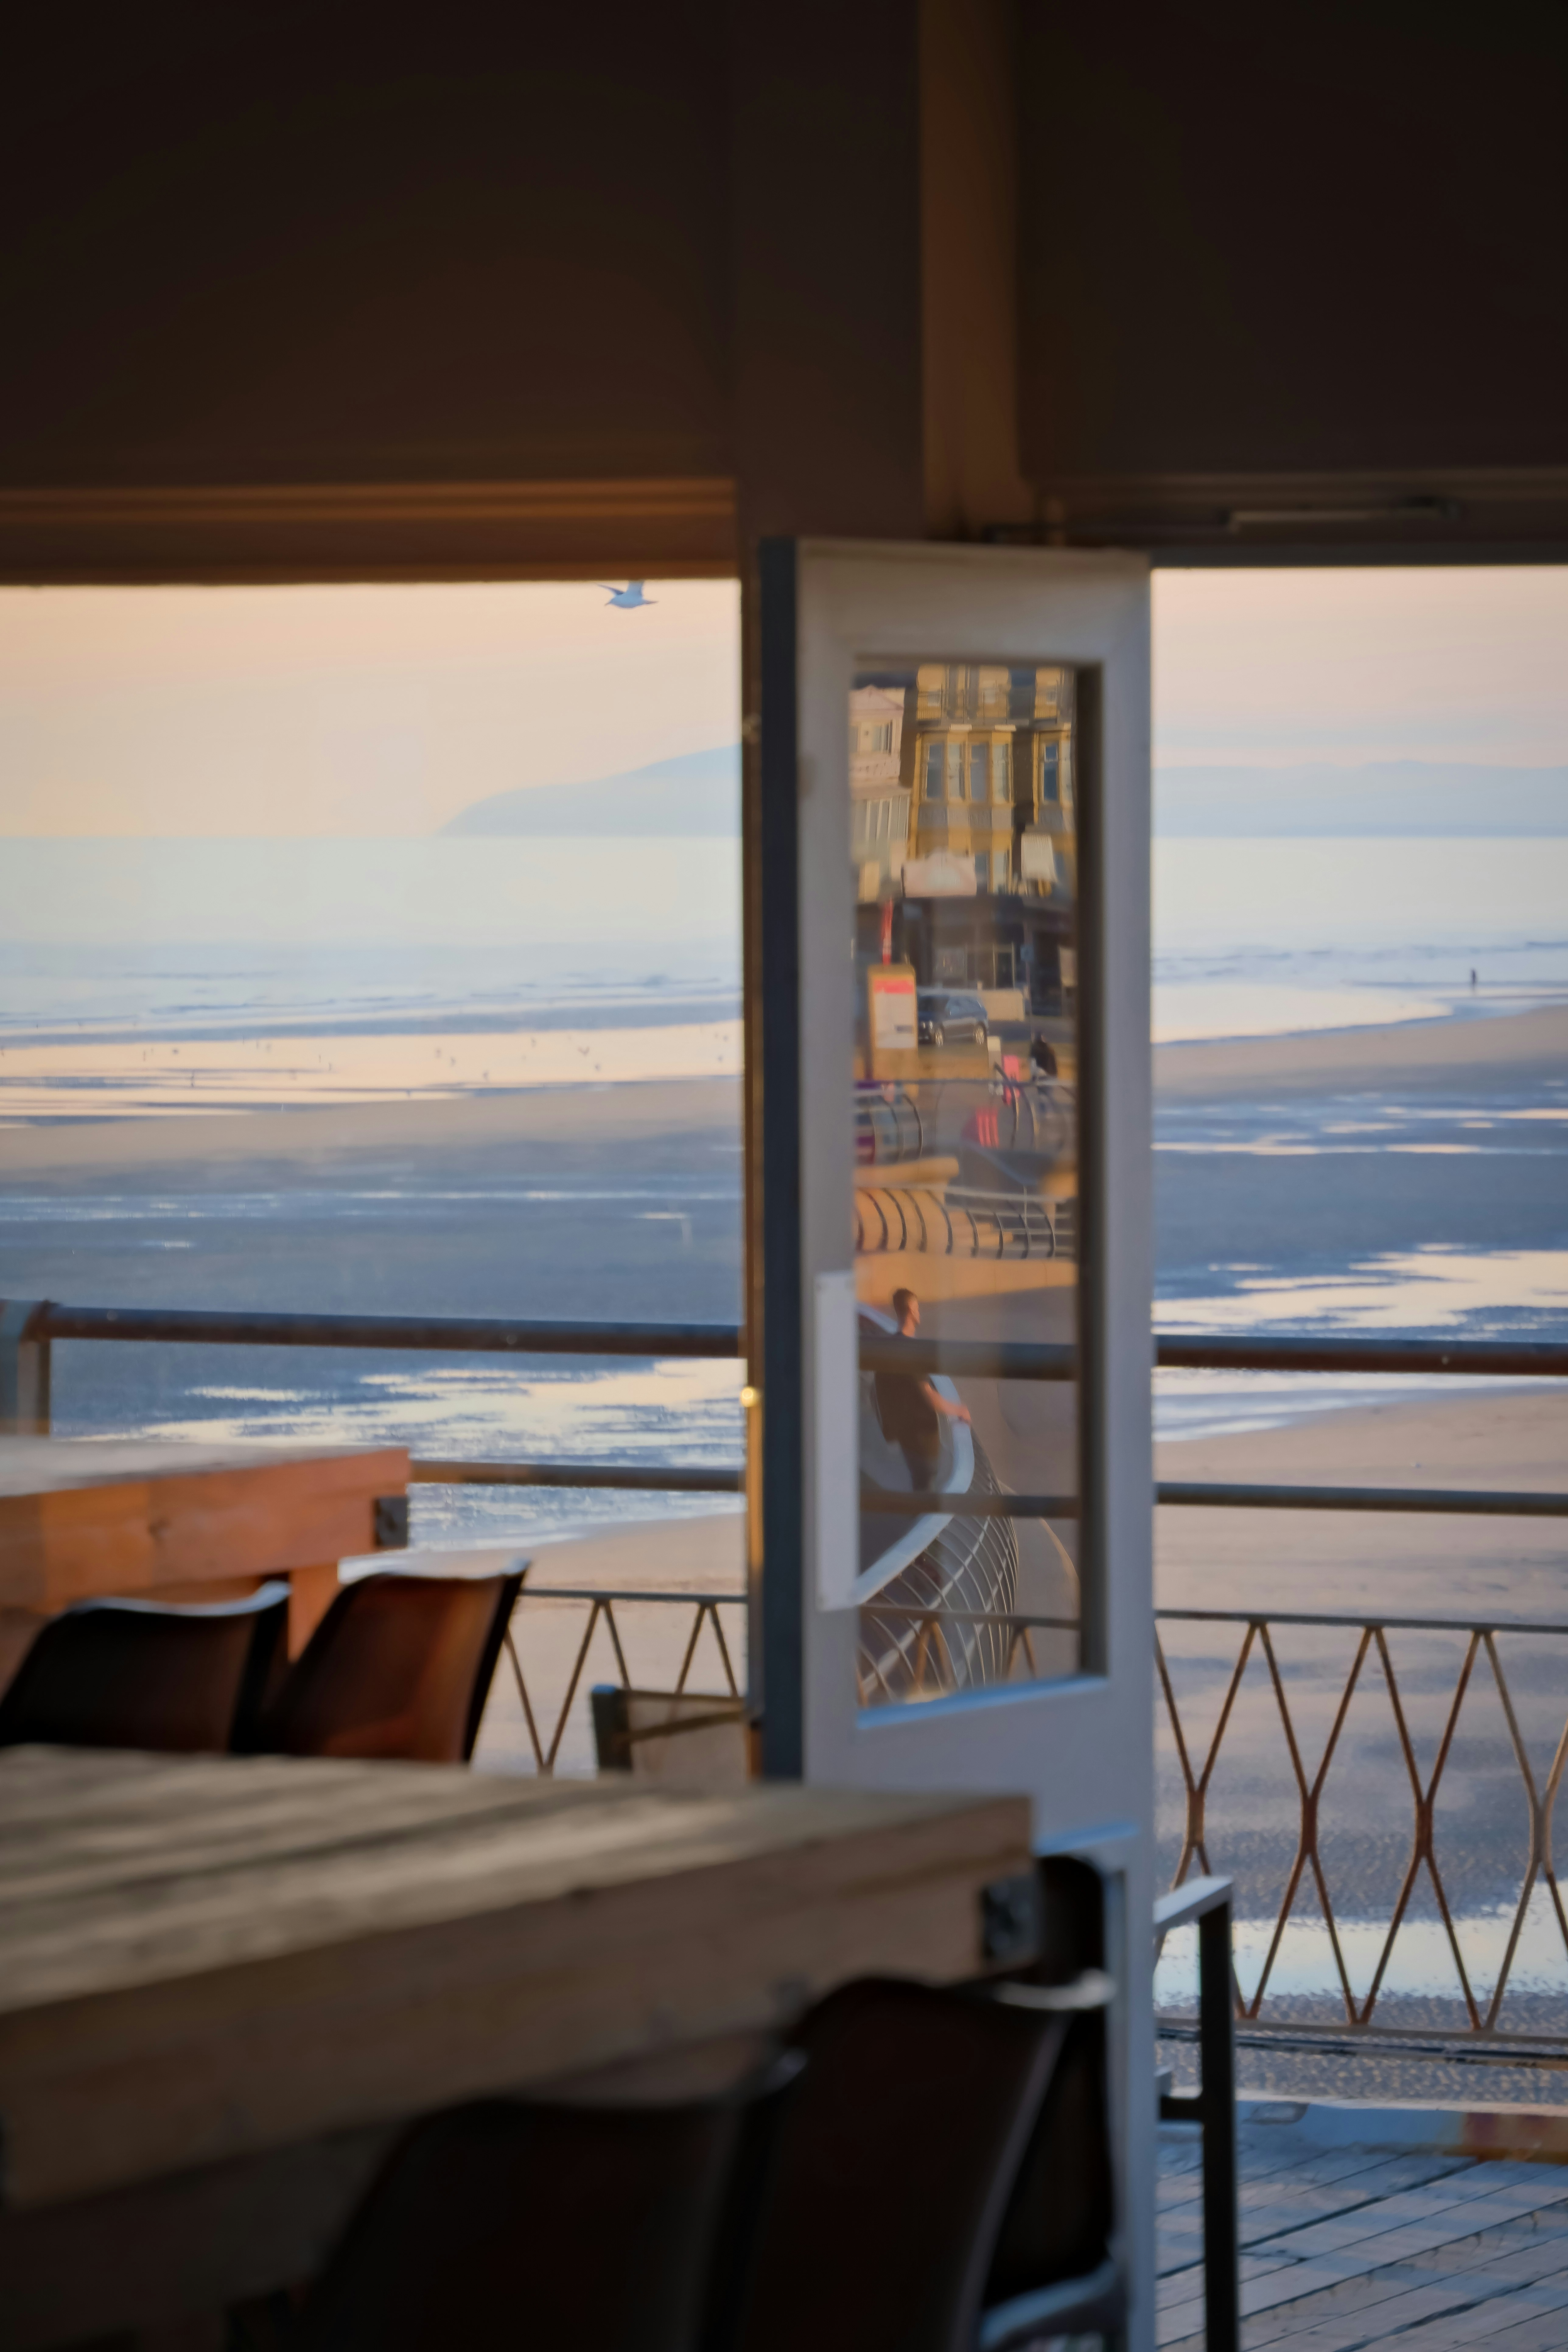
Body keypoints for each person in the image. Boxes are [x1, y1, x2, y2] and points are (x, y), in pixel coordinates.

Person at [873, 1287, 971, 1493]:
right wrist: (959, 1410)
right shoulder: (912, 1351)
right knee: (925, 1490)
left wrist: (890, 1432)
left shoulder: (887, 1348)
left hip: (905, 1440)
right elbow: (930, 1399)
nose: (919, 1313)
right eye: (917, 1308)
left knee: (919, 1486)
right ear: (910, 1310)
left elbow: (880, 1391)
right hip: (922, 1441)